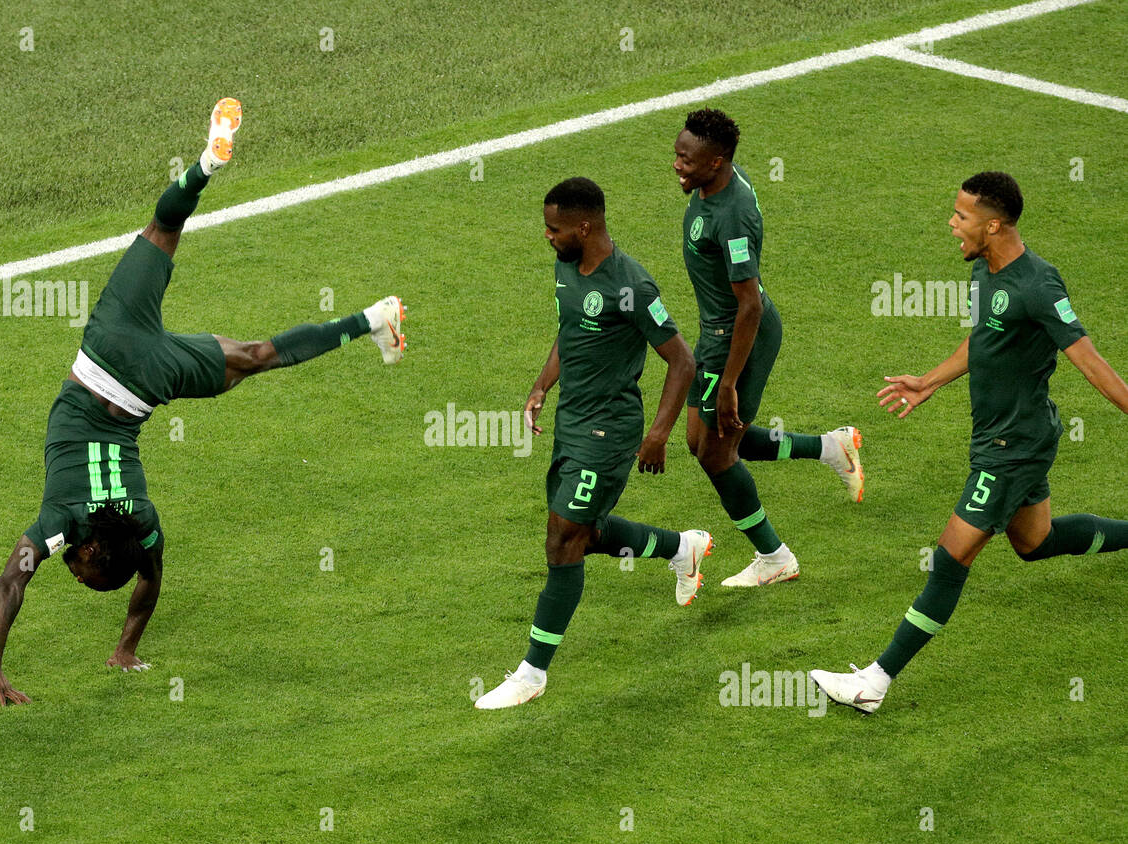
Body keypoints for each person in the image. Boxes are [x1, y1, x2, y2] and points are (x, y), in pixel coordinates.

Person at [0, 98, 407, 705]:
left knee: (256, 355)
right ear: (93, 546)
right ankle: (213, 165)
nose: (73, 575)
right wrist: (19, 661)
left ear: (99, 548)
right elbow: (14, 584)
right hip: (111, 348)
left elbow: (146, 577)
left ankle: (368, 314)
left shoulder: (138, 522)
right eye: (83, 575)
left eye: (79, 574)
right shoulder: (61, 526)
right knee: (167, 236)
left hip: (143, 379)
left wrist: (18, 665)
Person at [810, 171, 1128, 713]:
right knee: (1035, 542)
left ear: (994, 224)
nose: (952, 225)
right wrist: (929, 381)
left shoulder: (1038, 285)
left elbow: (1090, 363)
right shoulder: (986, 270)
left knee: (950, 556)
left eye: (961, 217)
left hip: (1013, 446)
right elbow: (984, 340)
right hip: (1003, 439)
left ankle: (875, 682)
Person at [475, 177, 710, 710]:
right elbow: (570, 331)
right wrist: (540, 386)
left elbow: (682, 360)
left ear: (585, 227)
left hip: (609, 432)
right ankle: (682, 548)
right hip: (571, 422)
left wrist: (658, 434)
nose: (547, 237)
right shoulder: (565, 267)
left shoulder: (632, 286)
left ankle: (533, 673)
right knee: (581, 533)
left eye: (554, 229)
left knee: (562, 541)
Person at [673, 108, 864, 589]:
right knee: (701, 441)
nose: (678, 165)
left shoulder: (732, 217)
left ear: (716, 163)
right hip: (716, 332)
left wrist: (730, 381)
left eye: (687, 159)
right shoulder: (717, 182)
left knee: (717, 454)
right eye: (677, 154)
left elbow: (750, 306)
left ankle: (775, 557)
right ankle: (830, 448)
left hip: (740, 336)